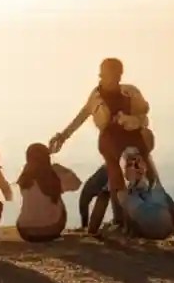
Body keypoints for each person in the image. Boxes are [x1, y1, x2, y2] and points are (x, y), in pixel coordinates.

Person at [50, 57, 158, 218]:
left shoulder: (130, 92)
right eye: (102, 74)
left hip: (134, 141)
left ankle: (151, 217)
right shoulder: (96, 95)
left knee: (147, 178)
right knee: (115, 181)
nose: (102, 78)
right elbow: (82, 115)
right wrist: (63, 136)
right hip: (110, 142)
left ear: (118, 75)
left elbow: (143, 113)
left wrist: (133, 121)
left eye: (106, 74)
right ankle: (120, 221)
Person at [120, 146, 174, 243]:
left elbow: (173, 208)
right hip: (150, 230)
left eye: (137, 162)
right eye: (130, 164)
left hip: (165, 228)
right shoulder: (127, 195)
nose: (135, 167)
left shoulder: (155, 188)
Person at [15, 143, 82, 243]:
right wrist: (58, 166)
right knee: (58, 201)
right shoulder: (54, 172)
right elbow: (76, 184)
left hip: (24, 231)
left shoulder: (25, 176)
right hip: (50, 230)